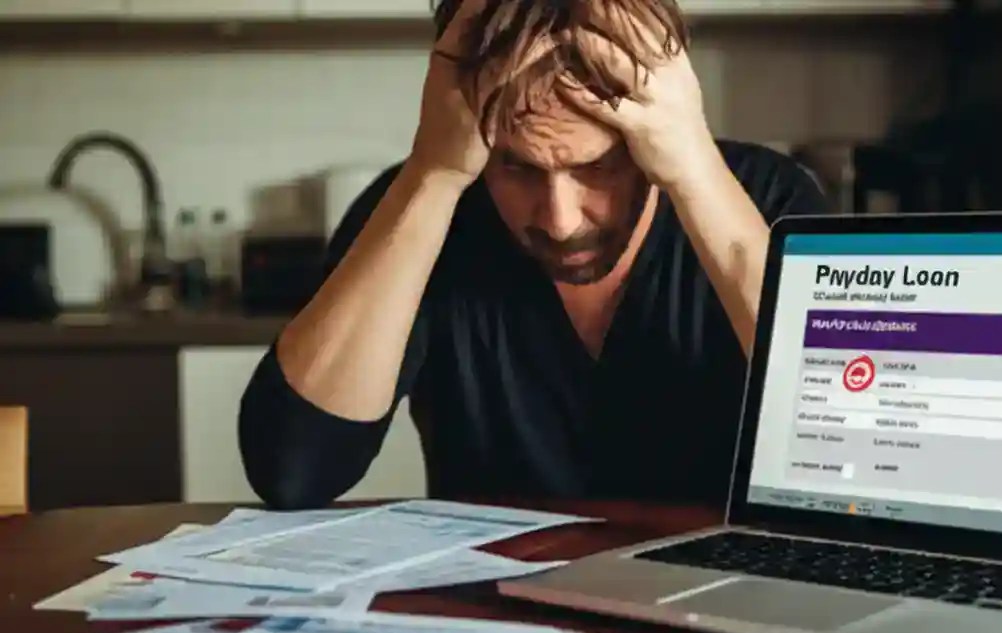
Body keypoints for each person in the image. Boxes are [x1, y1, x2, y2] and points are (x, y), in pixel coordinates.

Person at [238, 0, 827, 509]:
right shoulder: (423, 207)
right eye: (515, 166)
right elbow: (294, 472)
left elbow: (854, 440)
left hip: (715, 609)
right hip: (493, 614)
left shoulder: (767, 199)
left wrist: (695, 167)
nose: (560, 220)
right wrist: (434, 173)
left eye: (598, 166)